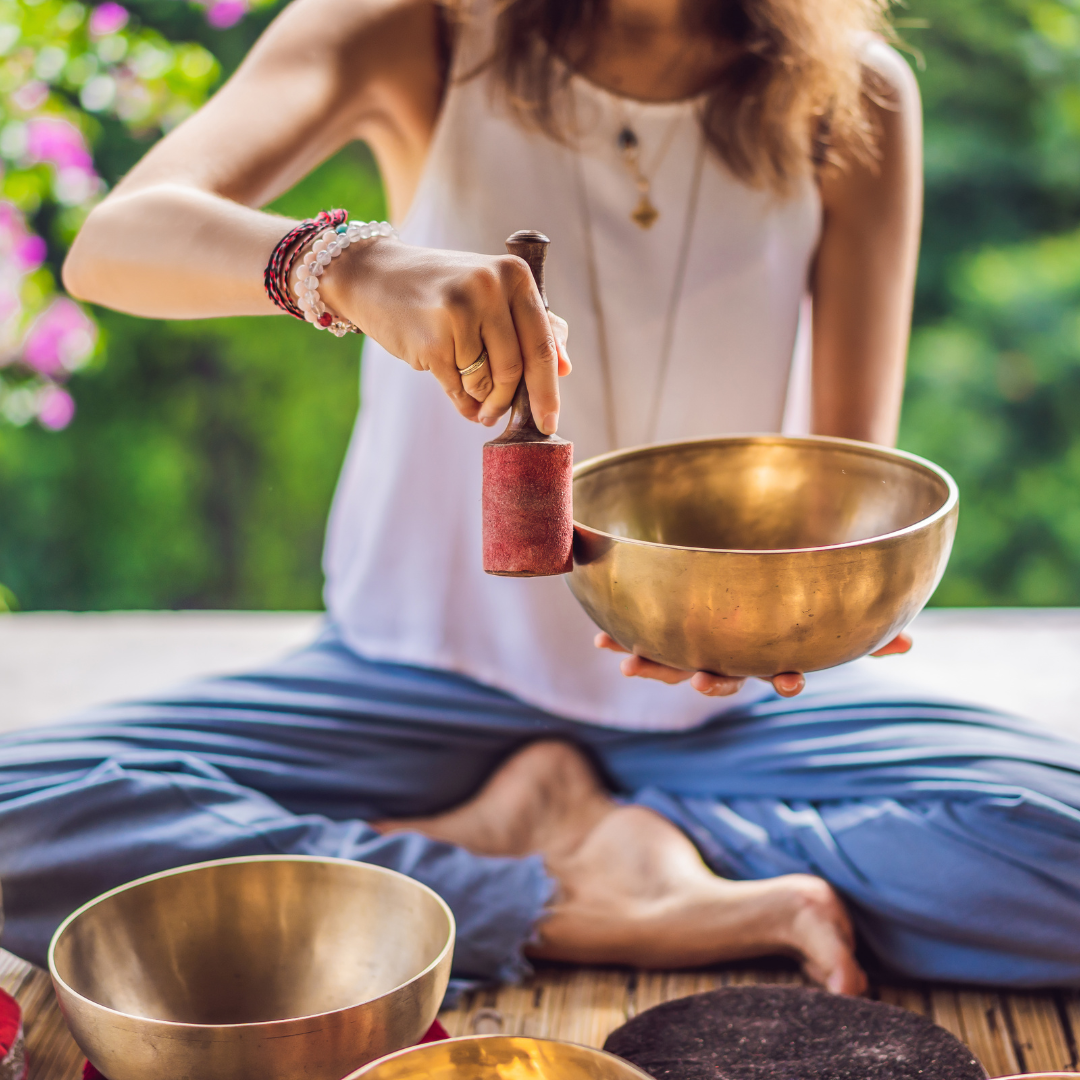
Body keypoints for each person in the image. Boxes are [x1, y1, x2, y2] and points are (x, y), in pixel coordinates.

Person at [2, 0, 1080, 995]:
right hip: (414, 681)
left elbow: (843, 490)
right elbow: (115, 243)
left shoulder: (859, 93)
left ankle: (613, 840)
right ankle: (547, 885)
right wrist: (352, 269)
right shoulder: (415, 28)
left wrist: (811, 604)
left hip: (721, 713)